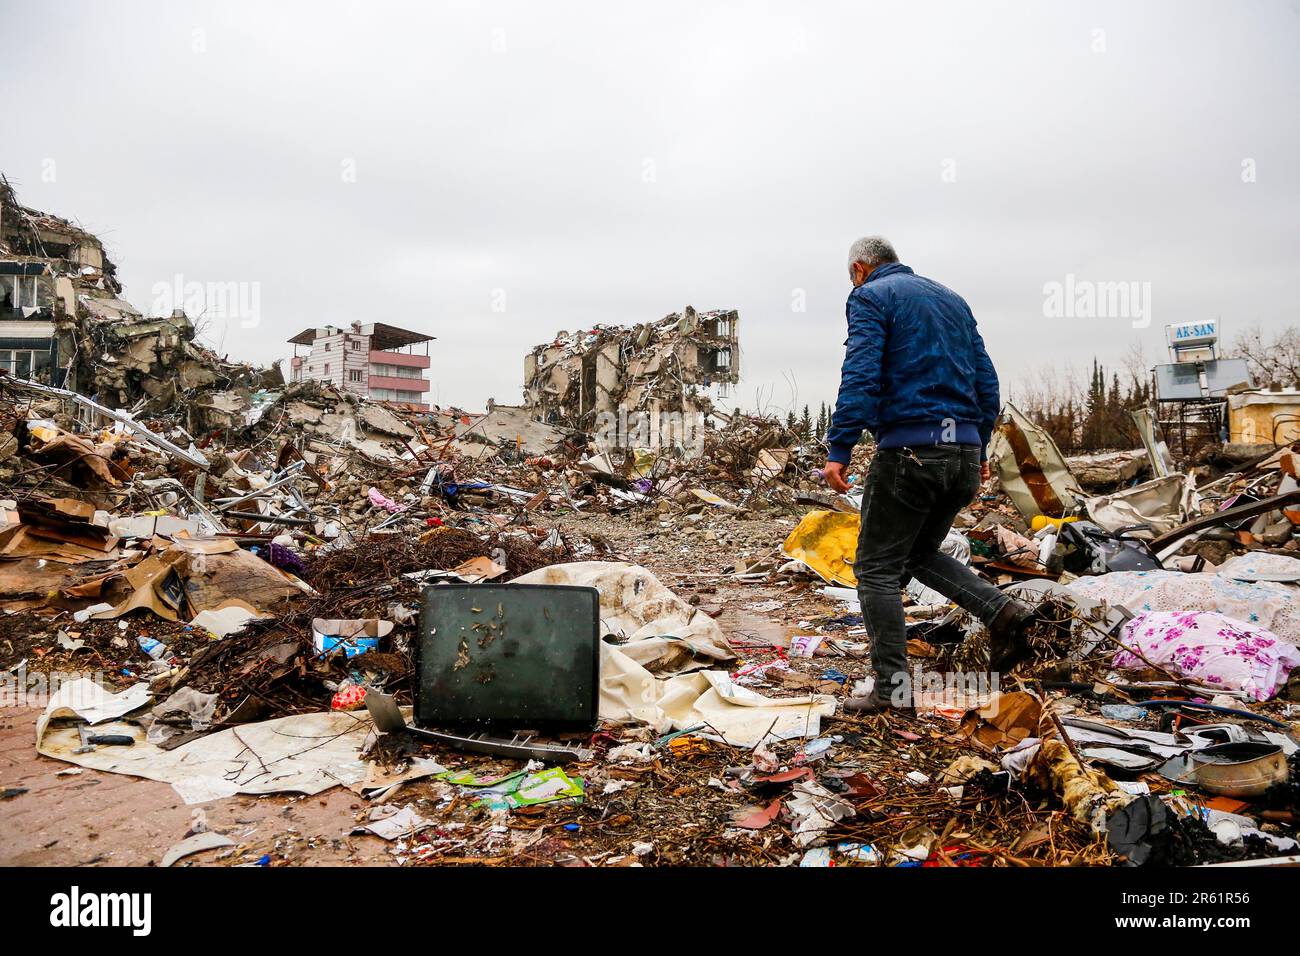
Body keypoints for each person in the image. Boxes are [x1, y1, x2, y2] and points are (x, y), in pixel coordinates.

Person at [823, 236, 1034, 714]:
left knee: (876, 569)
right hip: (959, 453)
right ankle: (1002, 612)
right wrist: (976, 447)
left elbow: (860, 372)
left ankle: (892, 692)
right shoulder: (953, 299)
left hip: (909, 453)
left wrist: (840, 447)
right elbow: (987, 381)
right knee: (917, 553)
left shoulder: (871, 296)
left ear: (859, 269)